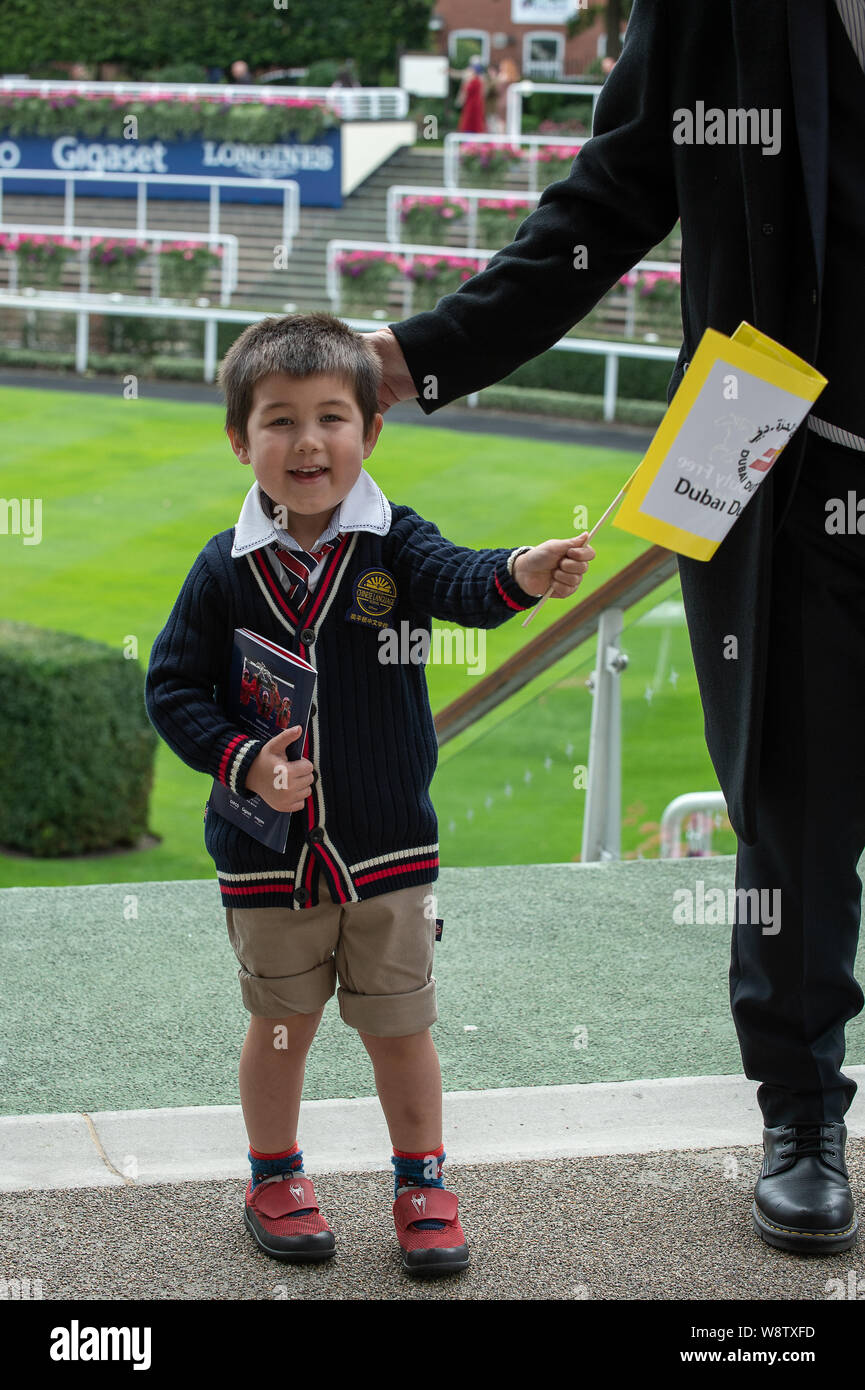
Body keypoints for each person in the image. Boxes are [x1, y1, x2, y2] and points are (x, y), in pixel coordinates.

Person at [364, 0, 865, 1256]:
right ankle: (802, 1116)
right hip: (774, 457)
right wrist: (415, 358)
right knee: (791, 807)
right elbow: (608, 201)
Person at [143, 311, 595, 1275]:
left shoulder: (393, 544)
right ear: (239, 440)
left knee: (401, 1033)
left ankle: (422, 1180)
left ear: (371, 432)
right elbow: (172, 688)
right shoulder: (222, 572)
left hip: (388, 853)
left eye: (332, 418)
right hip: (267, 858)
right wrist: (246, 761)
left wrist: (524, 571)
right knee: (280, 1026)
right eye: (279, 420)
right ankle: (274, 1173)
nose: (308, 441)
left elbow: (467, 580)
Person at [456, 56, 488, 134]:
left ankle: (472, 140)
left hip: (474, 104)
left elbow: (468, 90)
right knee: (469, 121)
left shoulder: (477, 80)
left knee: (473, 121)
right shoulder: (473, 79)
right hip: (471, 103)